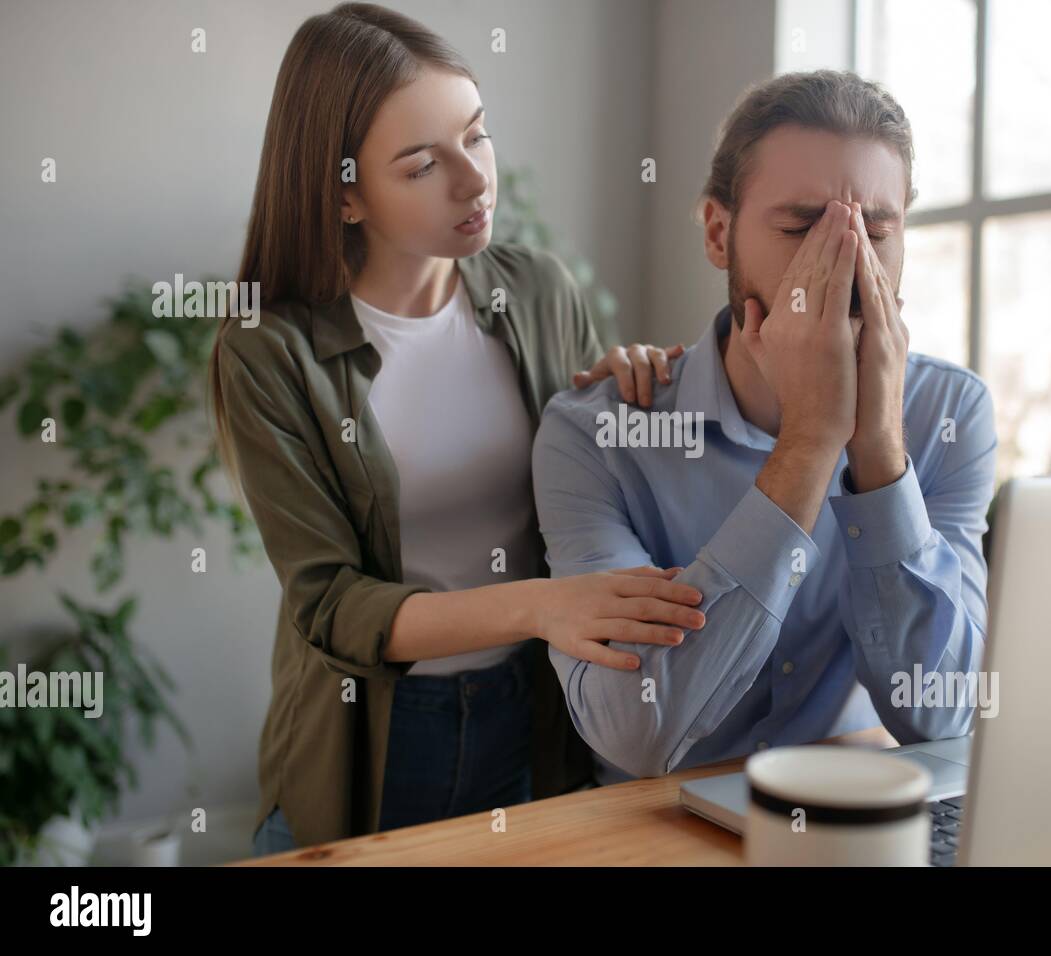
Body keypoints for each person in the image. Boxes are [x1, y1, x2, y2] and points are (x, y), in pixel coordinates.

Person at [208, 2, 702, 854]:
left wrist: (632, 399)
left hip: (533, 715)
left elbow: (600, 496)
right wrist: (545, 607)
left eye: (476, 137)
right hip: (371, 744)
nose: (475, 182)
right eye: (422, 165)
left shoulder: (540, 290)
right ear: (347, 194)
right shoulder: (267, 354)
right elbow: (333, 606)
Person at [532, 70, 997, 783]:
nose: (844, 263)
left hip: (854, 818)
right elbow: (637, 733)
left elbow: (942, 715)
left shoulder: (949, 416)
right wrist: (810, 444)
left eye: (876, 231)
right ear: (720, 233)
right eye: (802, 228)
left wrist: (877, 451)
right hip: (653, 835)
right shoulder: (598, 437)